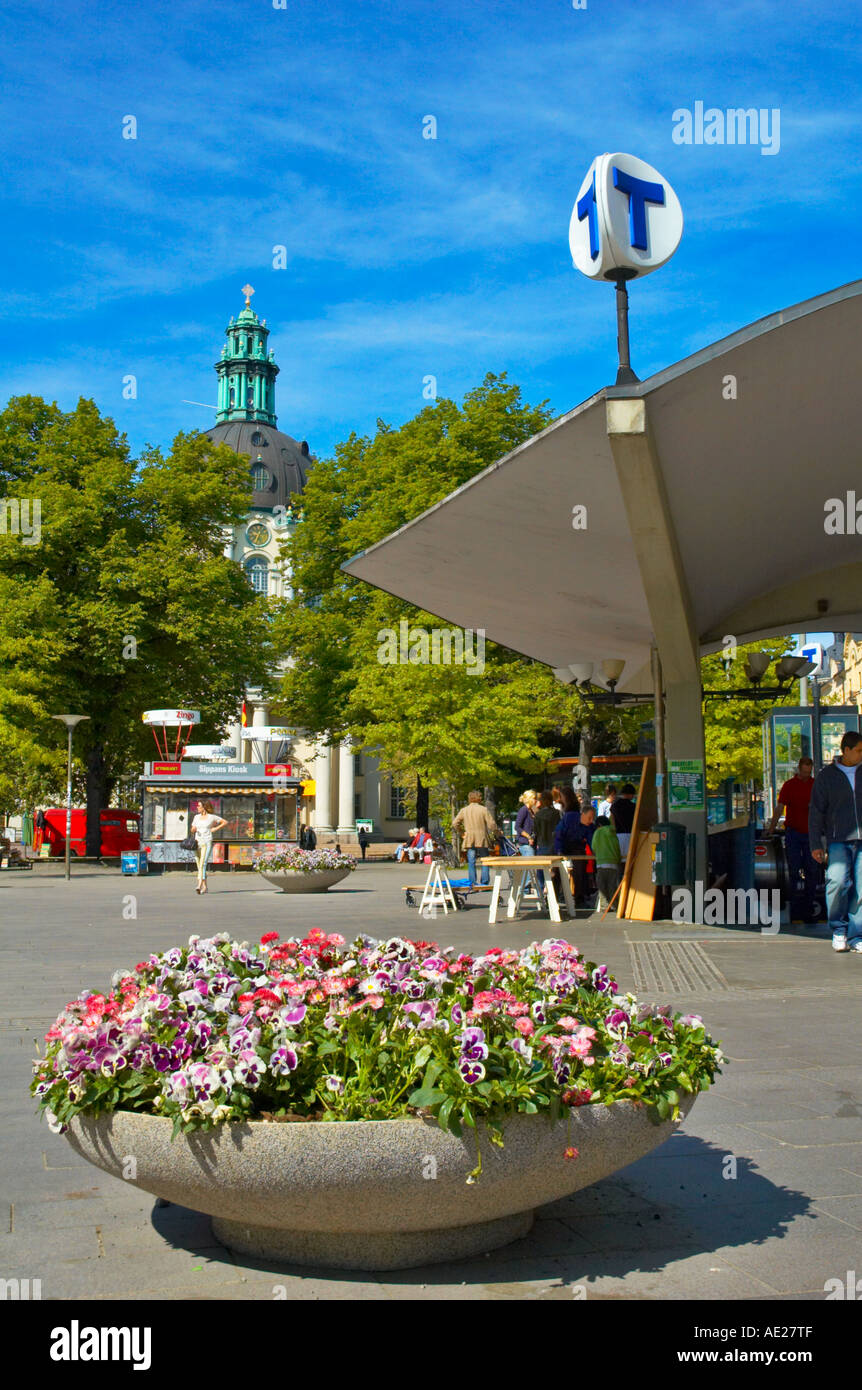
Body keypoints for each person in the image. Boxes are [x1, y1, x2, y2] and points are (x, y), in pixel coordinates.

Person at [809, 730, 862, 952]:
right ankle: (838, 929)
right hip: (838, 838)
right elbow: (816, 812)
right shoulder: (827, 776)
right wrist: (815, 844)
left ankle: (856, 934)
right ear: (846, 750)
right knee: (837, 882)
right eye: (859, 750)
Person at [769, 755, 819, 923]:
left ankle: (807, 907)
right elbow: (780, 807)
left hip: (810, 832)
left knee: (811, 870)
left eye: (809, 772)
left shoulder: (815, 785)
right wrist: (771, 827)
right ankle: (796, 907)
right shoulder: (789, 786)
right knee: (794, 869)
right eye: (804, 772)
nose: (806, 775)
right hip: (795, 832)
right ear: (799, 769)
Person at [452, 791, 498, 887]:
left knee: (471, 861)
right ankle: (484, 882)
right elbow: (491, 824)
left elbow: (455, 823)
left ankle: (472, 882)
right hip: (482, 838)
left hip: (469, 837)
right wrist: (496, 832)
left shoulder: (464, 810)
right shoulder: (483, 809)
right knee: (484, 860)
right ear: (479, 798)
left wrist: (461, 833)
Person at [553, 787, 588, 905]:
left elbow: (560, 833)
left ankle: (554, 897)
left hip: (567, 845)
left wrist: (558, 849)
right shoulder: (577, 814)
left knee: (557, 872)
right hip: (577, 846)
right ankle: (579, 897)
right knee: (579, 873)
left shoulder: (568, 815)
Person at [191, 800, 227, 895]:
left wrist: (215, 828)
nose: (197, 807)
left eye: (199, 806)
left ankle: (199, 885)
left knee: (203, 863)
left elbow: (224, 822)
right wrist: (193, 829)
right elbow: (192, 829)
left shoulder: (211, 817)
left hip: (206, 842)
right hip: (197, 842)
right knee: (199, 864)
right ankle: (205, 887)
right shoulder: (196, 817)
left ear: (204, 807)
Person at [592, 815, 622, 913]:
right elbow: (617, 847)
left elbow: (594, 846)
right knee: (612, 886)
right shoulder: (613, 832)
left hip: (601, 863)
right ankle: (615, 905)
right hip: (613, 863)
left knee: (602, 887)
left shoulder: (598, 832)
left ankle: (605, 906)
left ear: (599, 825)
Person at [610, 783, 636, 858]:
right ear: (631, 794)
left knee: (619, 859)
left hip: (618, 835)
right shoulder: (633, 806)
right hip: (631, 834)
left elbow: (612, 821)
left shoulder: (614, 805)